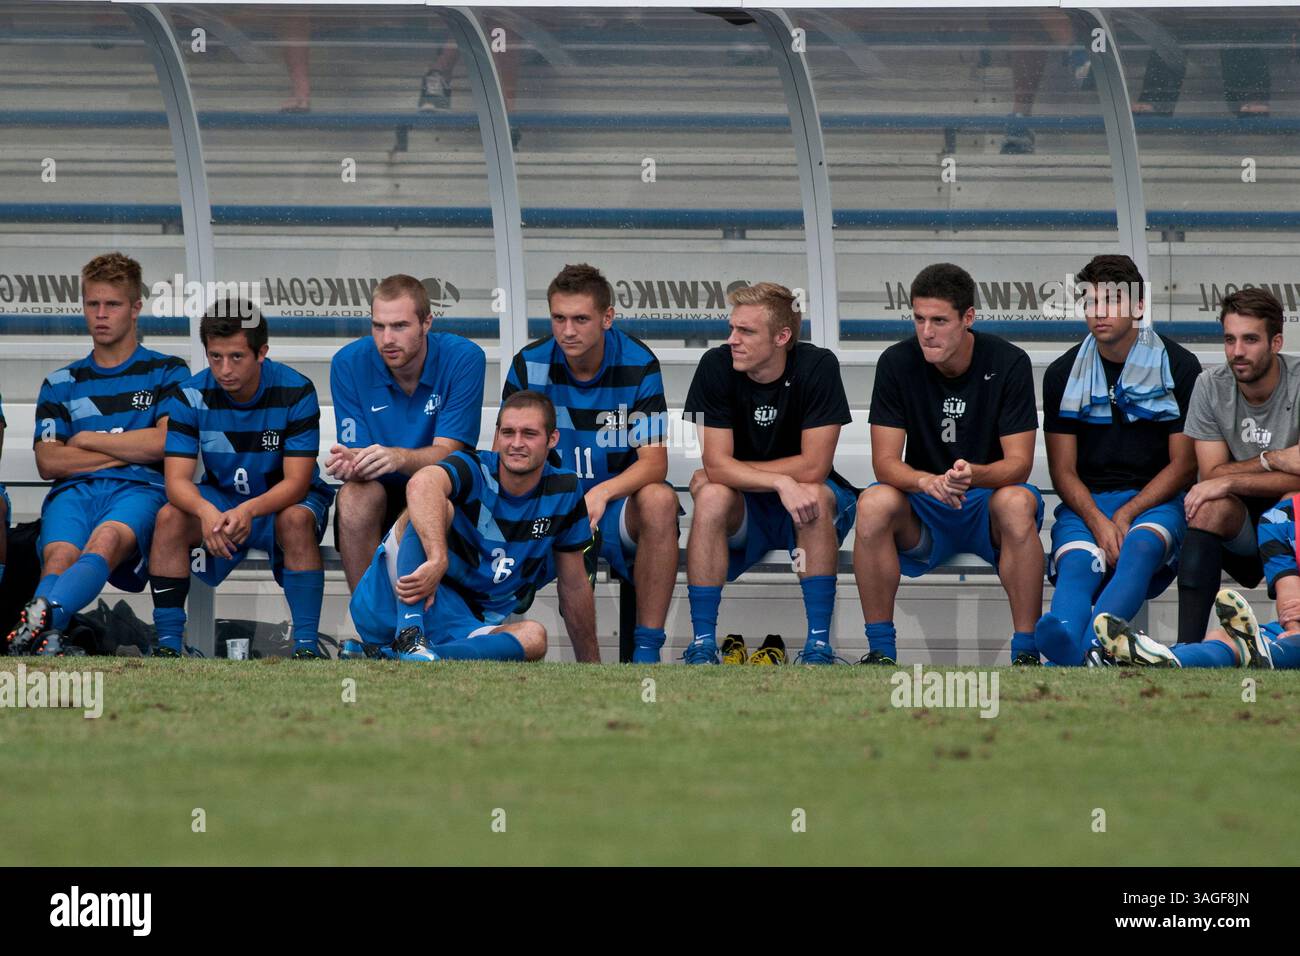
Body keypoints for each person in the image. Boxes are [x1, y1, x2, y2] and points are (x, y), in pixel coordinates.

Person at [856, 262, 1043, 665]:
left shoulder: (1009, 362)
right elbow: (885, 463)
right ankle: (880, 651)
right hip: (925, 507)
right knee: (872, 502)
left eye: (939, 320)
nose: (926, 332)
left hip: (985, 503)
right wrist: (926, 482)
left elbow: (1019, 464)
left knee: (1017, 501)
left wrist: (974, 473)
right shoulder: (896, 362)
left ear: (968, 318)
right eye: (919, 319)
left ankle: (1027, 651)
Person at [6, 252, 188, 656]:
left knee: (104, 540)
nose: (101, 314)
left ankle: (38, 623)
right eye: (93, 304)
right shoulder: (60, 382)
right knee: (58, 557)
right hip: (74, 493)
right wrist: (128, 447)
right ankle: (46, 640)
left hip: (138, 490)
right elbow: (49, 462)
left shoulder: (169, 372)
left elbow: (164, 444)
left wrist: (87, 439)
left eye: (113, 304)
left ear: (136, 308)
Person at [502, 264, 679, 663]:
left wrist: (599, 493)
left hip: (613, 506)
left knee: (659, 500)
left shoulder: (638, 362)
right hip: (549, 503)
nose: (568, 331)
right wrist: (567, 502)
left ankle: (645, 654)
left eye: (581, 319)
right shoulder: (529, 365)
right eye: (559, 318)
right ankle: (479, 638)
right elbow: (509, 450)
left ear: (607, 318)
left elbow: (654, 463)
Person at [347, 390, 597, 663]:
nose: (516, 443)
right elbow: (422, 483)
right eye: (508, 432)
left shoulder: (566, 490)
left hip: (464, 622)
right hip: (399, 595)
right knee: (436, 505)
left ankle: (401, 656)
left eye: (529, 434)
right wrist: (437, 558)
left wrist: (591, 664)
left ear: (552, 439)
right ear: (497, 435)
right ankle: (409, 633)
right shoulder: (475, 467)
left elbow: (574, 585)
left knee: (534, 637)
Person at [1036, 255, 1201, 665]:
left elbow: (1183, 465)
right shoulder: (1062, 373)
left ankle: (1085, 647)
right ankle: (1077, 646)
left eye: (1111, 301)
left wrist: (1126, 514)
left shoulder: (1179, 366)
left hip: (1154, 502)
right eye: (1090, 302)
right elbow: (1062, 470)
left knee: (1140, 546)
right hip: (1086, 502)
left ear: (1139, 308)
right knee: (1077, 564)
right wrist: (1097, 519)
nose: (1098, 312)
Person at [681, 282, 856, 665]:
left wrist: (726, 471)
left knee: (815, 494)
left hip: (803, 502)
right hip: (744, 504)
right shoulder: (715, 364)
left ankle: (818, 647)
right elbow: (716, 465)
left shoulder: (818, 365)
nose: (732, 340)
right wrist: (778, 480)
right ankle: (703, 644)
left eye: (746, 331)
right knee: (711, 495)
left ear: (782, 336)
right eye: (732, 328)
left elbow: (814, 466)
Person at [148, 301, 334, 658]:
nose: (224, 369)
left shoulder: (296, 390)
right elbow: (176, 482)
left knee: (296, 520)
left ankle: (307, 648)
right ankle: (169, 646)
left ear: (261, 352)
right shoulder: (189, 394)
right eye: (215, 357)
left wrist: (248, 510)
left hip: (283, 500)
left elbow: (297, 483)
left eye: (236, 357)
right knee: (170, 517)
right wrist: (205, 512)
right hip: (223, 498)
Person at [326, 274, 485, 649]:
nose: (387, 339)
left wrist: (396, 456)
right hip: (383, 493)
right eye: (378, 326)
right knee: (352, 497)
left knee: (427, 491)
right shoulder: (349, 363)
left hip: (442, 493)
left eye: (400, 326)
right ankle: (374, 633)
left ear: (427, 323)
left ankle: (421, 633)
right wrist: (352, 462)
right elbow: (360, 455)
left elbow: (452, 452)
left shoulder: (464, 358)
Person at [1175, 287, 1300, 646]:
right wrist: (1275, 458)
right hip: (1242, 526)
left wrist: (1233, 478)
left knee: (1293, 499)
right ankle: (1188, 650)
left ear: (1276, 342)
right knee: (1206, 506)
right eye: (1230, 340)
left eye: (1250, 340)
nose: (1237, 352)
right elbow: (1211, 475)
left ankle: (1290, 636)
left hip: (1293, 526)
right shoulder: (1210, 385)